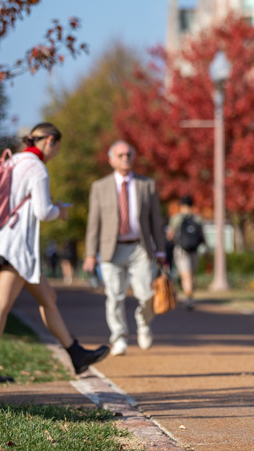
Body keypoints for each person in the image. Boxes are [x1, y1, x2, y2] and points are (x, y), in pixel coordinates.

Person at [0, 123, 109, 382]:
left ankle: (76, 354)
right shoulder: (37, 168)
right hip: (16, 247)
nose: (56, 152)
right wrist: (61, 210)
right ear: (49, 140)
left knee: (48, 297)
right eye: (57, 146)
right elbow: (42, 211)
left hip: (4, 239)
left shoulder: (13, 161)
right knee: (1, 304)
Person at [83, 141, 166, 356]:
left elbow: (156, 220)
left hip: (140, 247)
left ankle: (143, 323)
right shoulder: (99, 187)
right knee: (115, 296)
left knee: (147, 293)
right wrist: (90, 253)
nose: (125, 158)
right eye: (120, 155)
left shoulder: (147, 185)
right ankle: (119, 338)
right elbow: (94, 223)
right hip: (111, 249)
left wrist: (161, 250)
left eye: (128, 154)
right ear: (111, 160)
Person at [167, 196, 206, 311]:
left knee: (186, 275)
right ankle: (190, 295)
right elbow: (202, 236)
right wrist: (207, 251)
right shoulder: (198, 218)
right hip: (195, 250)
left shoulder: (176, 218)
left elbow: (170, 235)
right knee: (191, 275)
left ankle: (189, 297)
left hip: (181, 250)